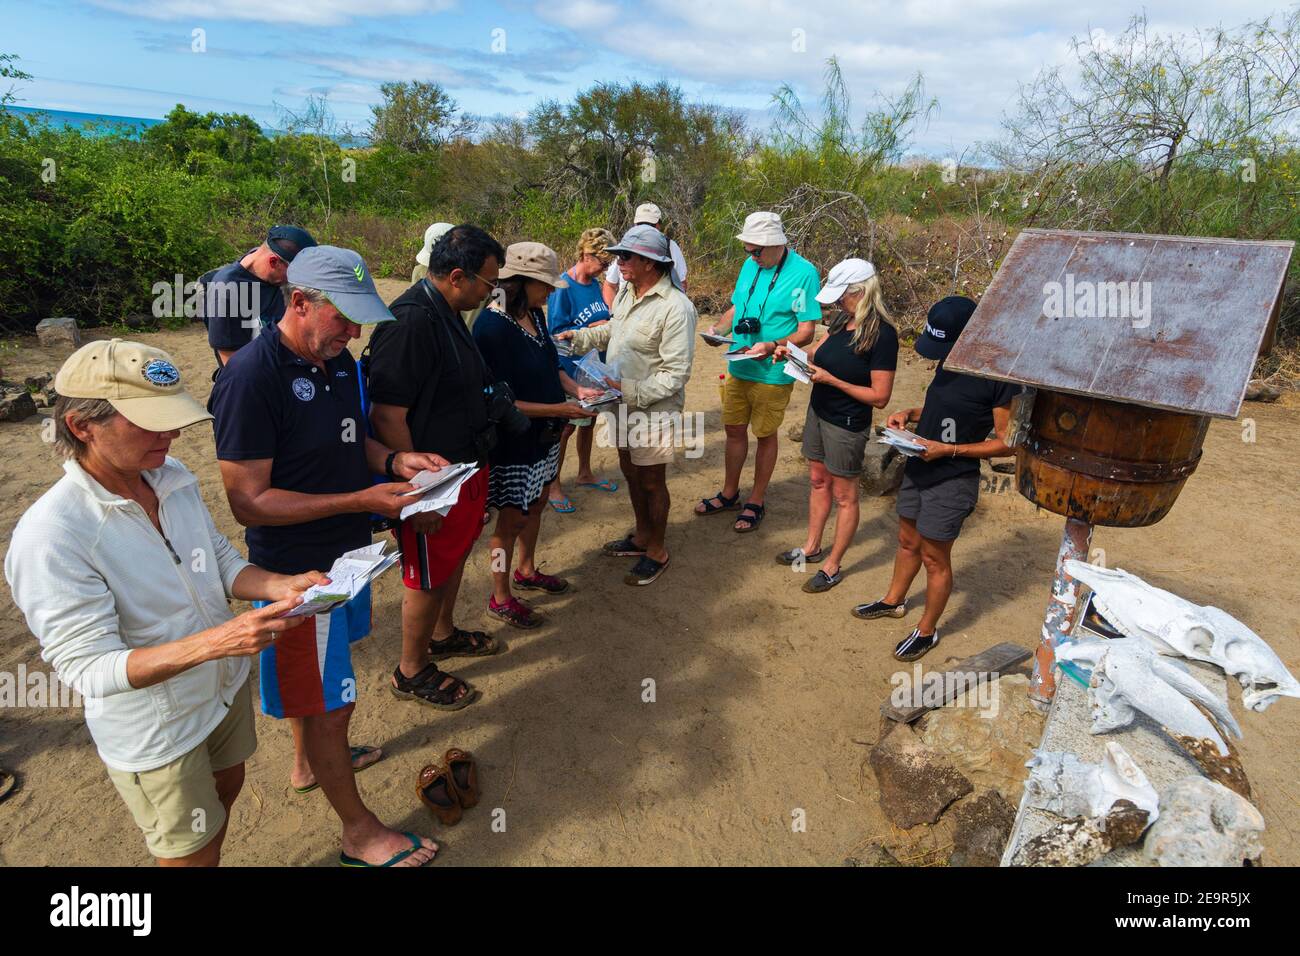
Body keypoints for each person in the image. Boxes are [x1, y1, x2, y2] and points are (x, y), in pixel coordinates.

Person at [4, 340, 343, 866]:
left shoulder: (170, 477)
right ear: (80, 426)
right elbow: (88, 669)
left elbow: (221, 560)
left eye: (172, 419)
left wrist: (279, 584)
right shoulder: (53, 536)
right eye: (148, 422)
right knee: (191, 848)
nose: (169, 434)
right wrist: (220, 640)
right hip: (157, 728)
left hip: (220, 692)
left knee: (227, 787)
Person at [209, 246, 446, 867]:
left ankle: (305, 764)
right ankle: (359, 832)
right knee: (332, 705)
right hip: (296, 575)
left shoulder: (338, 363)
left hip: (348, 557)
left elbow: (352, 442)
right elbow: (249, 503)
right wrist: (362, 499)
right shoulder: (250, 378)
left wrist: (396, 463)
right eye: (344, 318)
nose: (355, 332)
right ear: (299, 302)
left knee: (315, 692)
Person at [368, 224, 509, 700]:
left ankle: (442, 636)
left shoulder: (446, 310)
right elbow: (387, 414)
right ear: (456, 276)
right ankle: (411, 670)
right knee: (425, 576)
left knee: (449, 562)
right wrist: (419, 497)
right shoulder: (411, 321)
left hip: (462, 468)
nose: (491, 293)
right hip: (434, 482)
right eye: (488, 284)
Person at [851, 295, 1019, 662]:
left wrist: (949, 450)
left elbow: (1009, 443)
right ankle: (893, 600)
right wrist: (910, 413)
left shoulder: (998, 377)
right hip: (919, 465)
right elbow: (949, 407)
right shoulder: (950, 359)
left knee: (934, 556)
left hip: (952, 478)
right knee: (907, 539)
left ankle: (927, 630)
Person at [555, 225, 697, 586]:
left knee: (651, 479)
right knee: (630, 471)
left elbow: (675, 375)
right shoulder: (627, 293)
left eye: (626, 256)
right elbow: (613, 330)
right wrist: (580, 337)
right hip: (618, 401)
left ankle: (657, 551)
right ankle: (641, 535)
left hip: (652, 410)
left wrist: (629, 389)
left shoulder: (677, 308)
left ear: (650, 262)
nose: (618, 262)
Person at [473, 243, 603, 627]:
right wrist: (560, 409)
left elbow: (552, 365)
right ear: (519, 282)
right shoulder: (491, 328)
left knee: (538, 502)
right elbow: (497, 400)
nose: (550, 291)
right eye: (543, 284)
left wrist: (575, 390)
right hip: (514, 442)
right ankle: (500, 595)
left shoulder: (534, 314)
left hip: (544, 436)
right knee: (510, 521)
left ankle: (526, 570)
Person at [774, 258, 897, 593]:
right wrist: (790, 352)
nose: (837, 303)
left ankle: (833, 564)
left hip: (846, 422)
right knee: (817, 480)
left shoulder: (882, 335)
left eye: (843, 296)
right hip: (819, 411)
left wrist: (832, 380)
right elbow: (820, 352)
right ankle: (812, 546)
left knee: (845, 494)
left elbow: (880, 396)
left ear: (862, 292)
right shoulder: (844, 320)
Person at [698, 210, 821, 532]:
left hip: (772, 370)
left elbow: (807, 330)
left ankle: (756, 498)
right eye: (747, 250)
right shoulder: (750, 264)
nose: (751, 257)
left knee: (765, 434)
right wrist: (718, 328)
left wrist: (772, 344)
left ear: (776, 244)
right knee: (734, 430)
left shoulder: (804, 273)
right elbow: (739, 306)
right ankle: (729, 493)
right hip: (739, 362)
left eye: (757, 251)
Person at [544, 227, 620, 513]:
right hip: (570, 370)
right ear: (587, 255)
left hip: (594, 368)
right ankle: (554, 486)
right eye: (603, 261)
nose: (607, 268)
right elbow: (556, 333)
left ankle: (585, 472)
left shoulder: (594, 285)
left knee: (588, 421)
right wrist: (590, 328)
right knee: (566, 428)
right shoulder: (563, 287)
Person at [204, 225, 317, 368]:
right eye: (295, 273)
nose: (297, 279)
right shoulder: (227, 290)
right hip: (258, 378)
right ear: (273, 262)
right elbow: (232, 363)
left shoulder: (270, 270)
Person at [601, 203, 687, 308]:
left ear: (659, 226)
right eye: (641, 224)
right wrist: (613, 314)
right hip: (626, 310)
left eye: (650, 225)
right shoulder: (623, 248)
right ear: (635, 225)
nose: (645, 228)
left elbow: (681, 284)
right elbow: (609, 285)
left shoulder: (671, 247)